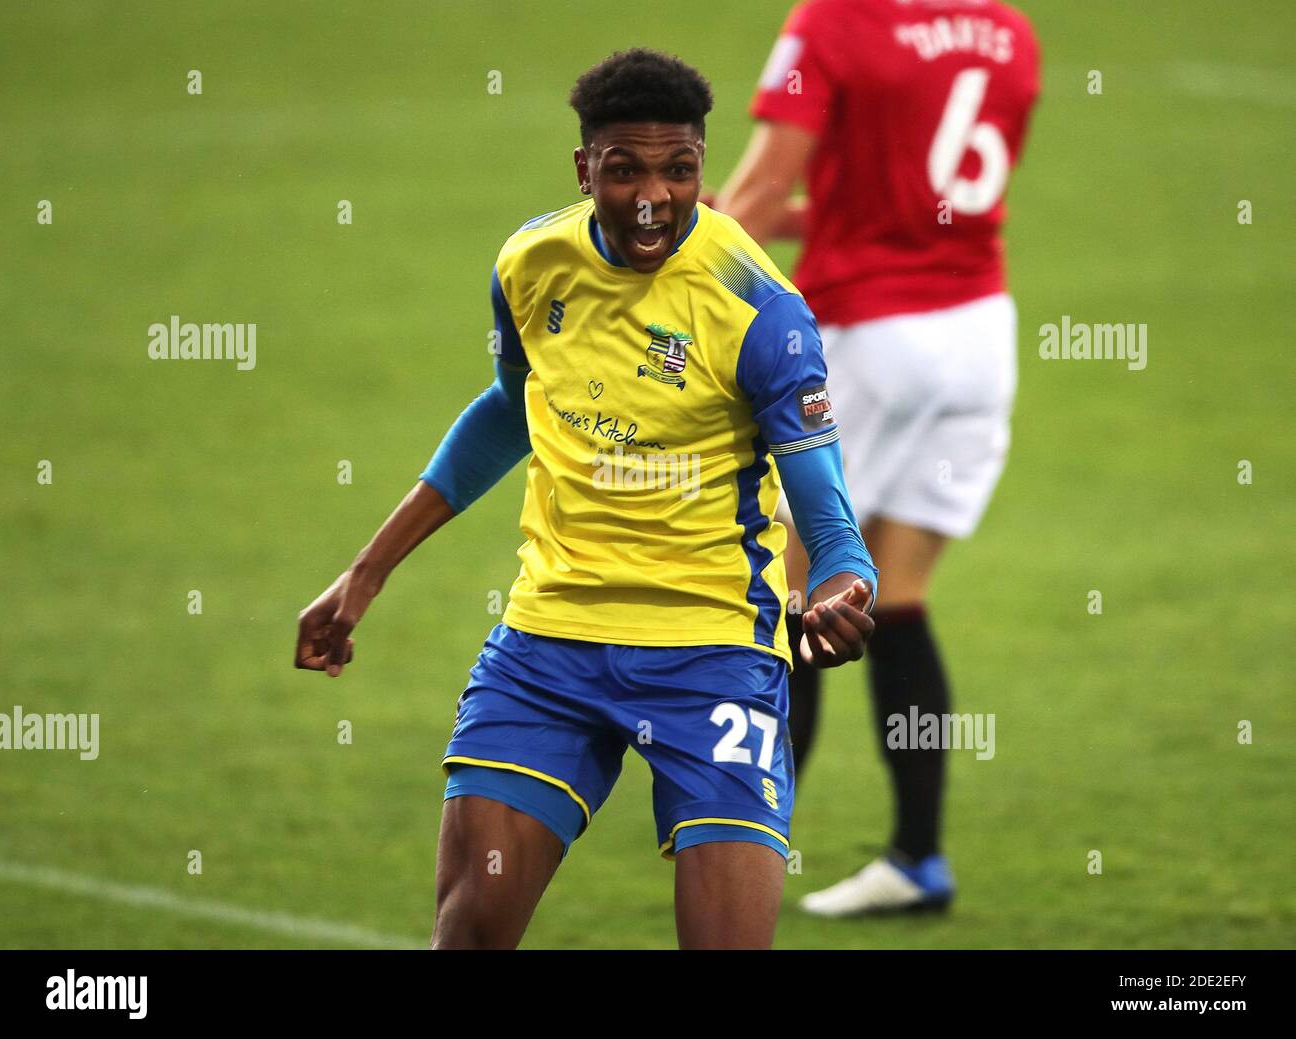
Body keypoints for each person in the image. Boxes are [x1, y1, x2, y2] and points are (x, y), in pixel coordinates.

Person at [294, 48, 878, 949]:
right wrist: (363, 574)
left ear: (701, 168)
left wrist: (844, 583)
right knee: (472, 928)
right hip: (548, 644)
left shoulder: (759, 307)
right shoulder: (532, 264)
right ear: (584, 169)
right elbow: (507, 410)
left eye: (679, 170)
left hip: (712, 653)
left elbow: (828, 514)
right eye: (625, 170)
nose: (654, 198)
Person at [713, 0, 1040, 916]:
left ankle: (748, 858)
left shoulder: (835, 21)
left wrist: (685, 260)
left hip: (870, 339)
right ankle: (917, 859)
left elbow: (760, 194)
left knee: (793, 588)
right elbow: (900, 206)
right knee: (893, 600)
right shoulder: (1008, 30)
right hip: (978, 333)